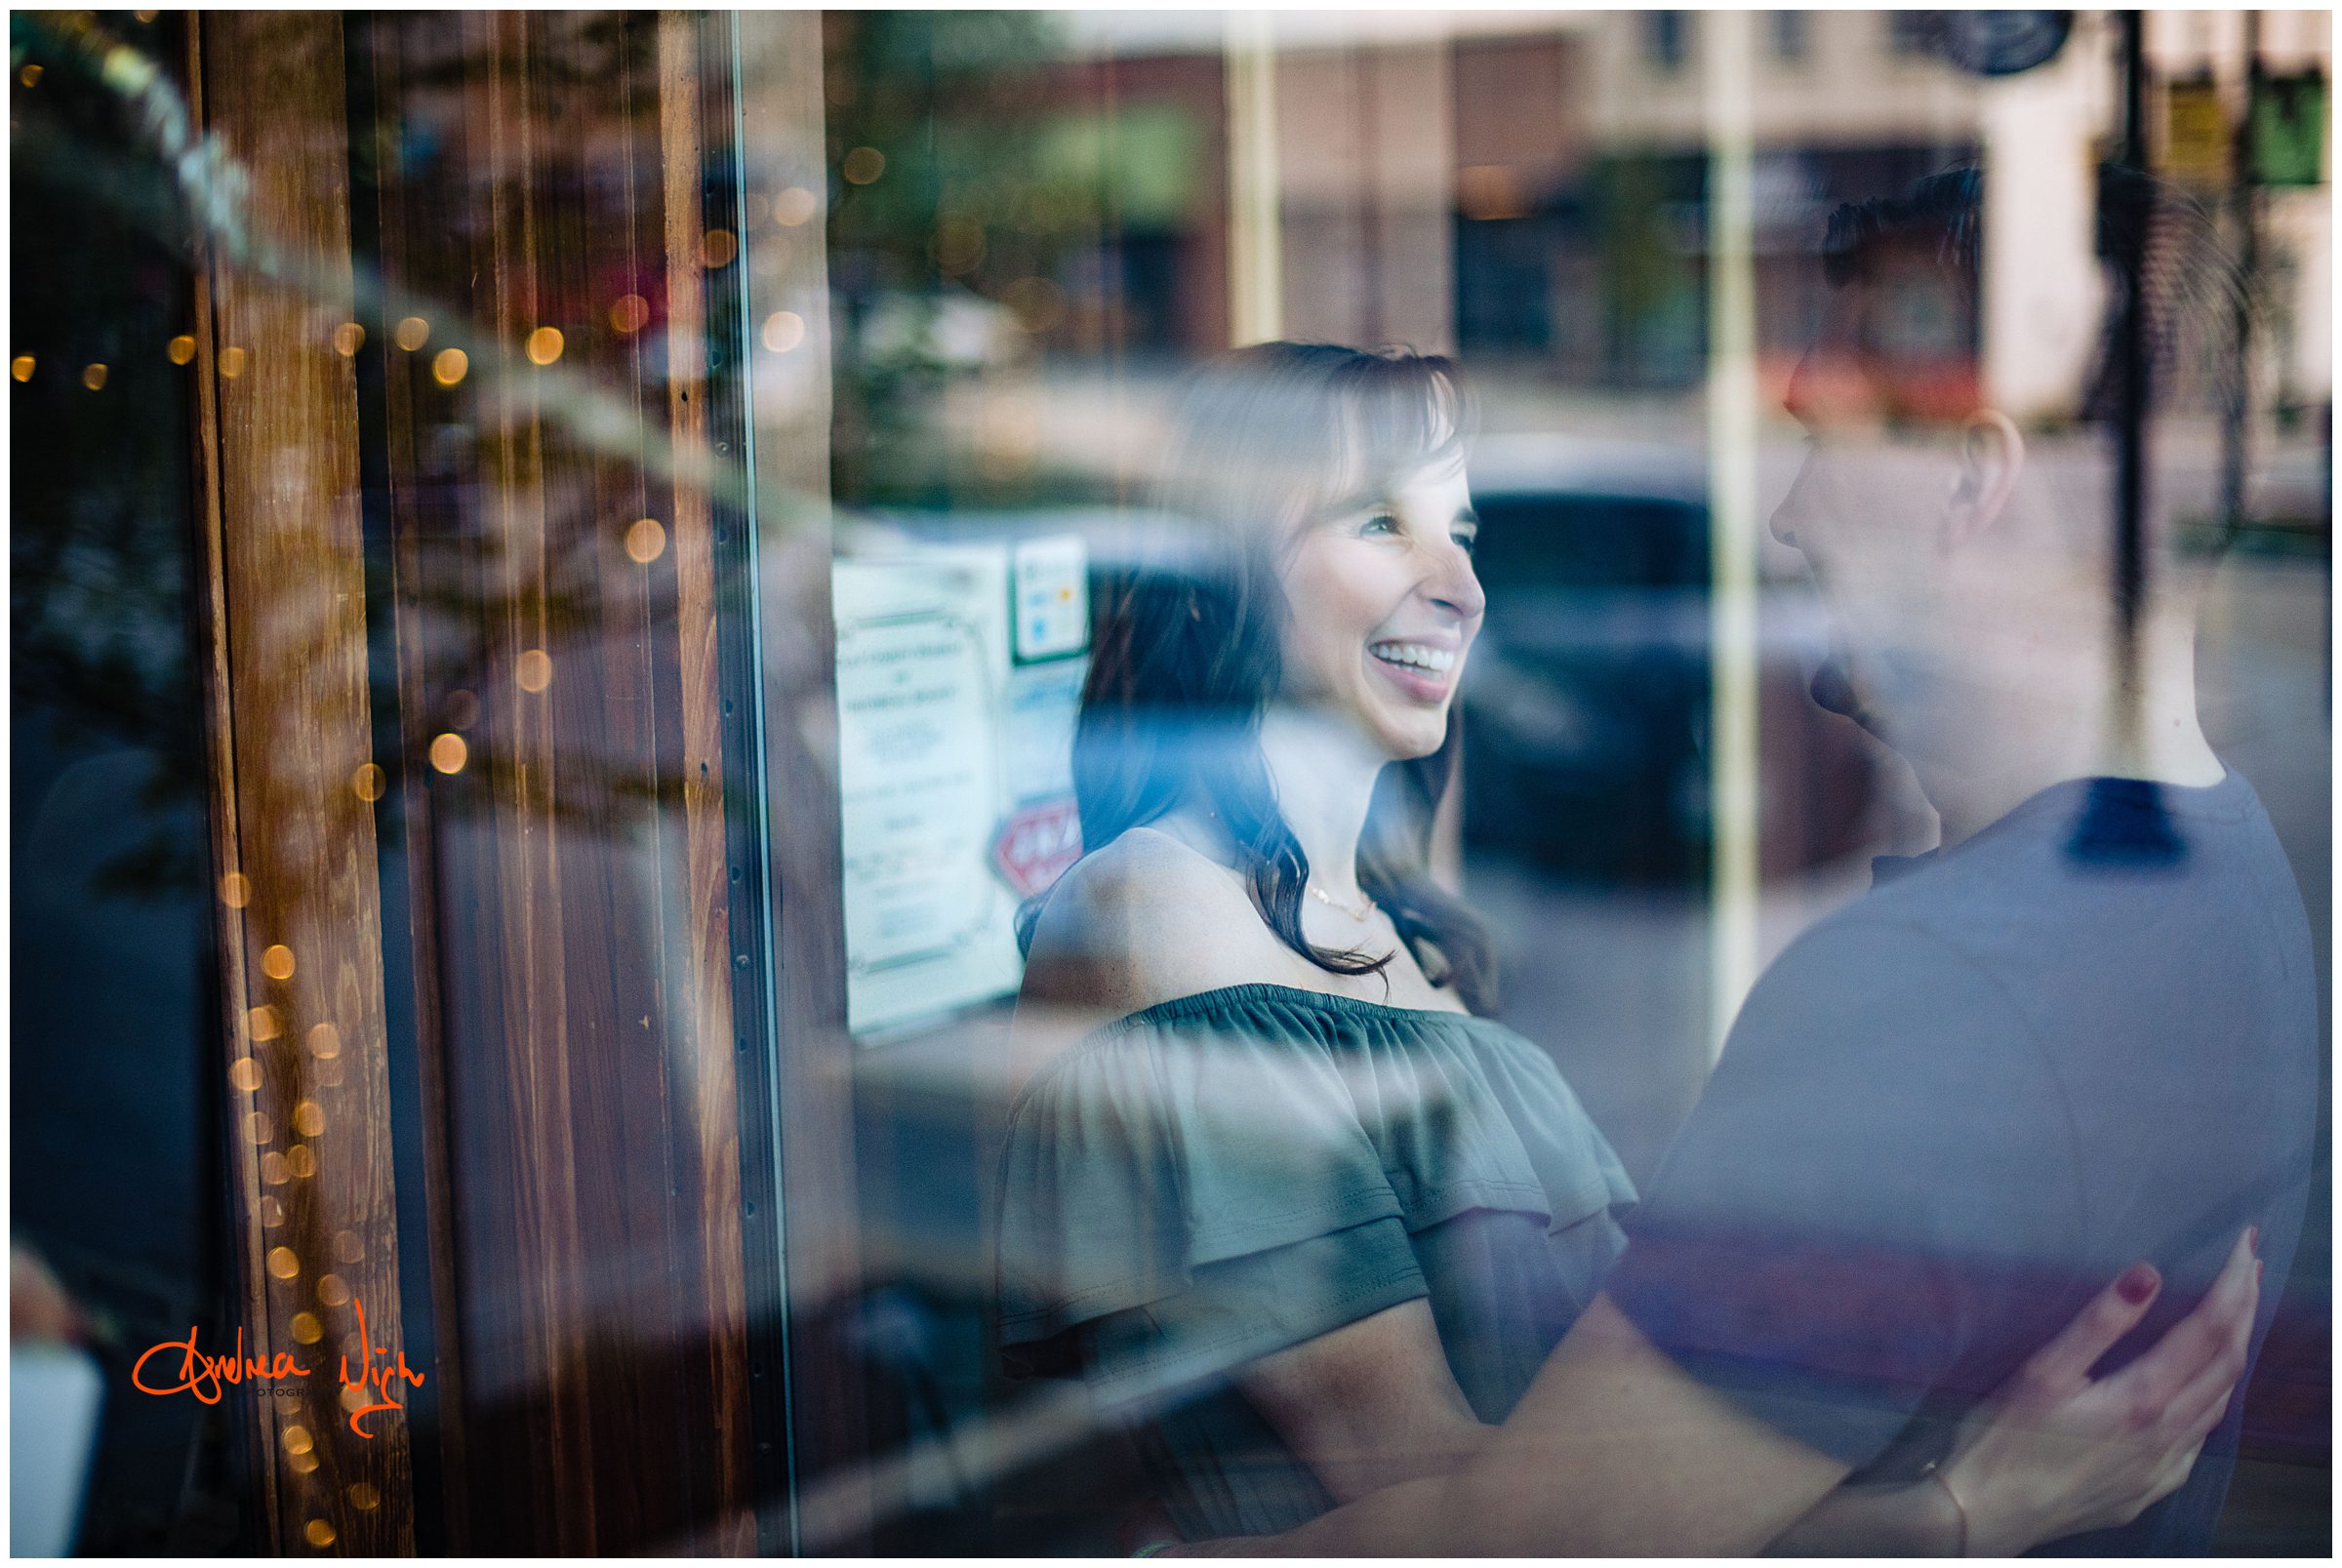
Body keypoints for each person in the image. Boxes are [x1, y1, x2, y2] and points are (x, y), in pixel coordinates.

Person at [1139, 170, 2316, 1557]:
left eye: (1820, 437)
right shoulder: (2232, 875)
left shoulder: (1940, 996)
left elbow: (1547, 1546)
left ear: (1970, 475)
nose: (1789, 518)